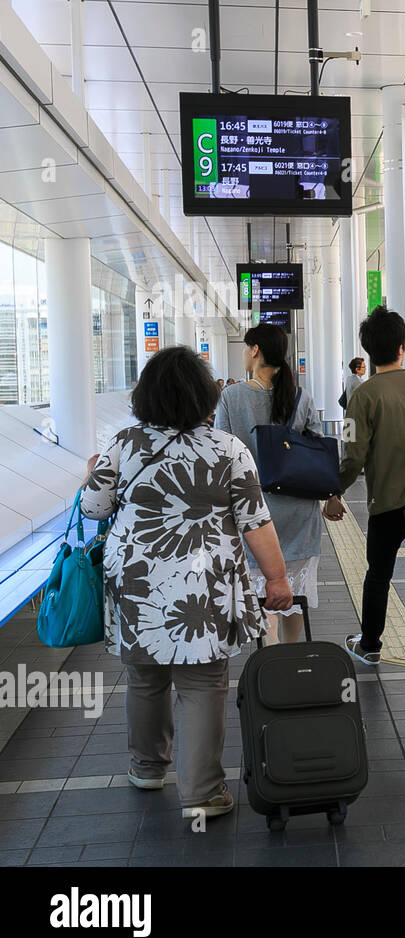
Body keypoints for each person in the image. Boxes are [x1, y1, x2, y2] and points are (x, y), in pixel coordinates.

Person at [81, 346, 292, 820]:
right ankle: (201, 792)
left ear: (145, 396)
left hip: (135, 580)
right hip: (204, 582)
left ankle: (147, 767)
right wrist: (276, 578)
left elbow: (93, 509)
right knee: (202, 683)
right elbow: (256, 522)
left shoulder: (123, 444)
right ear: (204, 396)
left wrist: (87, 477)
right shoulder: (227, 449)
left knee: (144, 674)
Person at [326, 305, 405, 685]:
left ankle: (370, 644)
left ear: (369, 352)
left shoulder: (362, 397)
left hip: (385, 503)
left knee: (378, 575)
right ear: (401, 346)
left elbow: (352, 455)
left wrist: (335, 492)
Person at [215, 323, 324, 644]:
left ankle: (271, 668)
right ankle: (292, 661)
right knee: (293, 597)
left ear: (255, 350)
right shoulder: (300, 396)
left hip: (254, 516)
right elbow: (318, 447)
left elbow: (223, 456)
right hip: (300, 513)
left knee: (264, 600)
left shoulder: (231, 397)